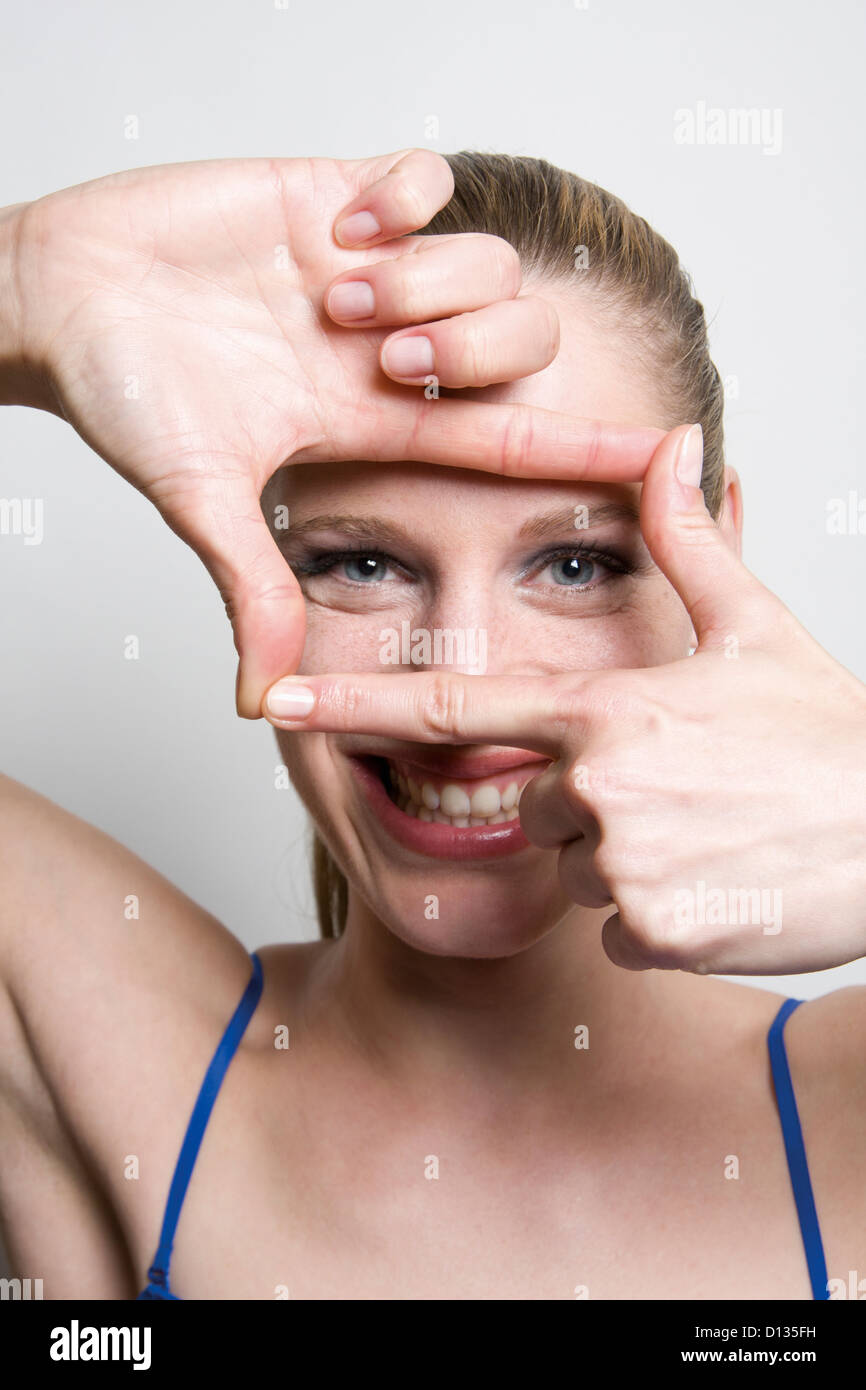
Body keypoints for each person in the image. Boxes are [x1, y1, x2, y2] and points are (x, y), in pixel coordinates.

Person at [0, 149, 863, 1300]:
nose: (459, 681)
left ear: (723, 558)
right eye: (361, 561)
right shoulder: (109, 1047)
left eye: (573, 562)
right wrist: (25, 279)